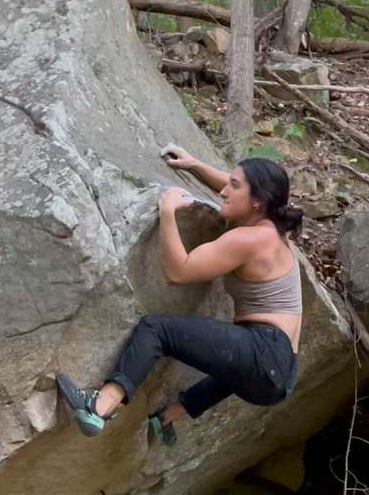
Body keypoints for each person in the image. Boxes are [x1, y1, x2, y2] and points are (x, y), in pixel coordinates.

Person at [57, 147, 303, 445]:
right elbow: (238, 189)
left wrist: (167, 211)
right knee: (233, 367)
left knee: (157, 329)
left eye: (234, 186)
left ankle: (99, 406)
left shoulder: (249, 239)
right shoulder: (275, 228)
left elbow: (178, 273)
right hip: (280, 375)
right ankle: (168, 416)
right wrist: (195, 165)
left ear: (257, 202)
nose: (224, 190)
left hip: (264, 353)